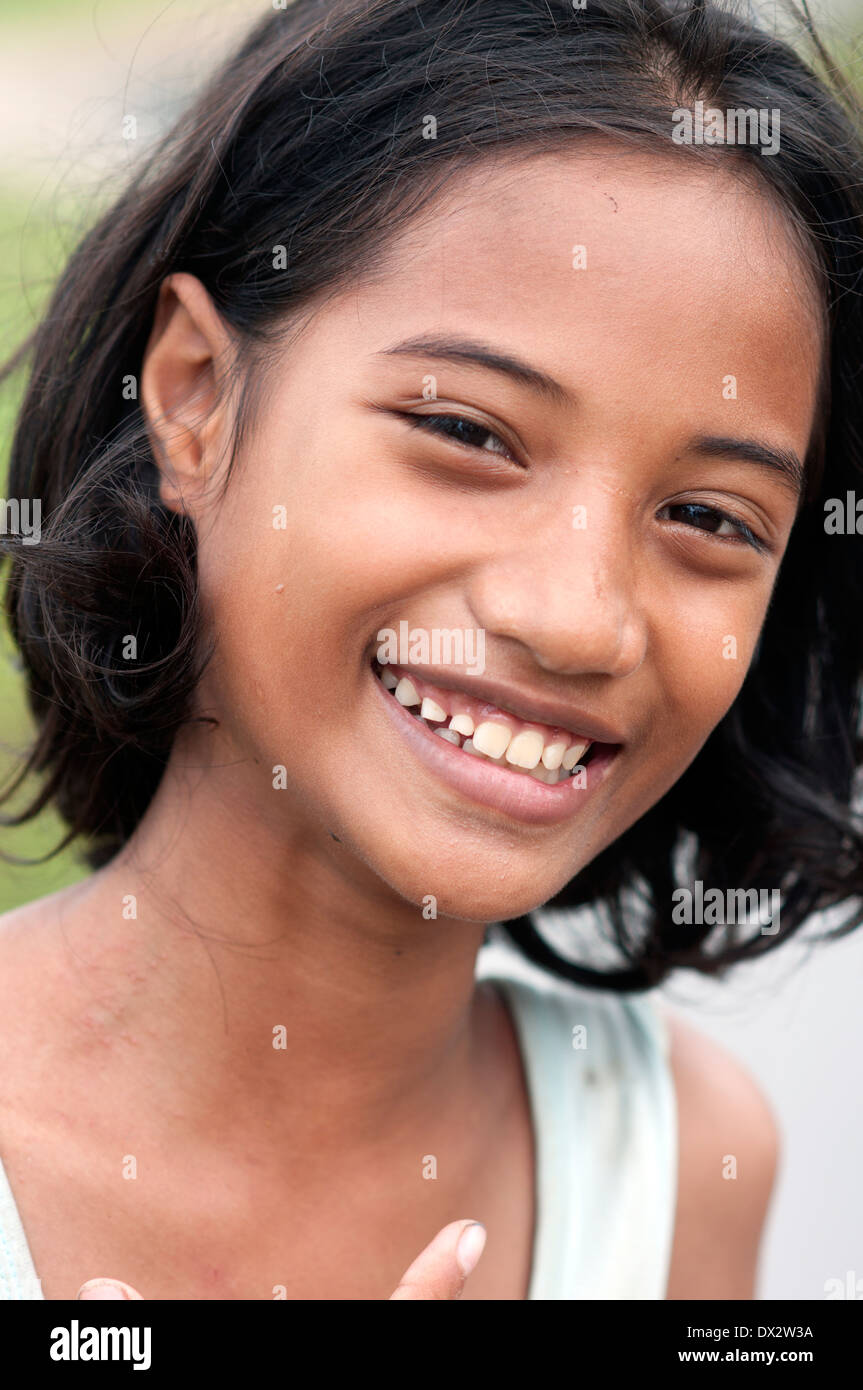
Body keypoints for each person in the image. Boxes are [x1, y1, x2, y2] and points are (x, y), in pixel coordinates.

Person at [0, 0, 861, 1301]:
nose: (580, 616)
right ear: (190, 394)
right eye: (468, 432)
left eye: (705, 517)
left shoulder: (681, 1162)